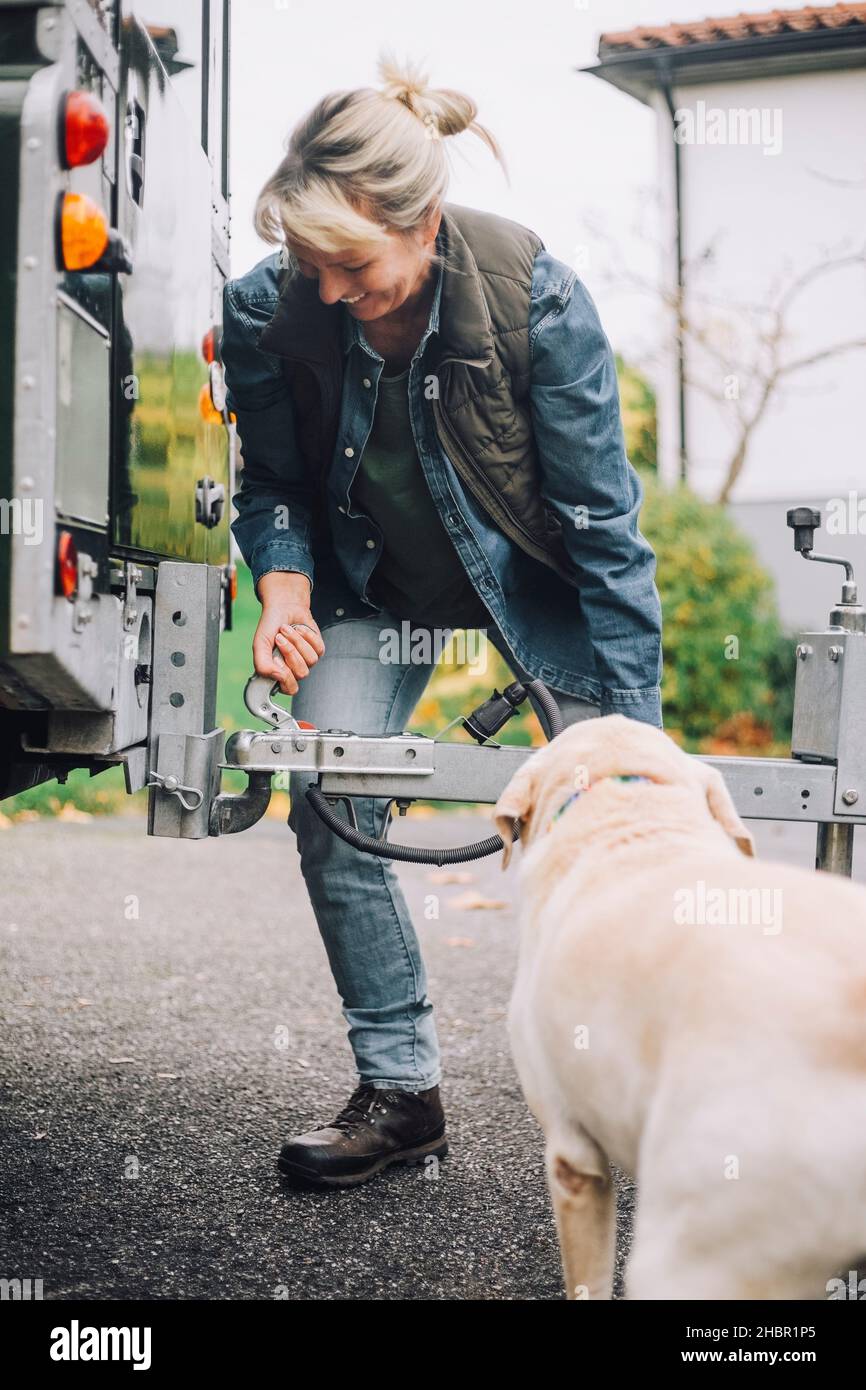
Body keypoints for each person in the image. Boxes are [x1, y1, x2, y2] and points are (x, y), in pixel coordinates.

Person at [221, 52, 664, 1189]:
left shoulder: (536, 297)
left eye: (348, 264)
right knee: (329, 798)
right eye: (307, 263)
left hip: (527, 584)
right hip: (369, 592)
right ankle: (401, 1094)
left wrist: (633, 739)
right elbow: (269, 482)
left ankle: (647, 1088)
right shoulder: (270, 307)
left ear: (419, 222)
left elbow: (600, 526)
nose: (323, 290)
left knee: (612, 833)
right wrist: (279, 582)